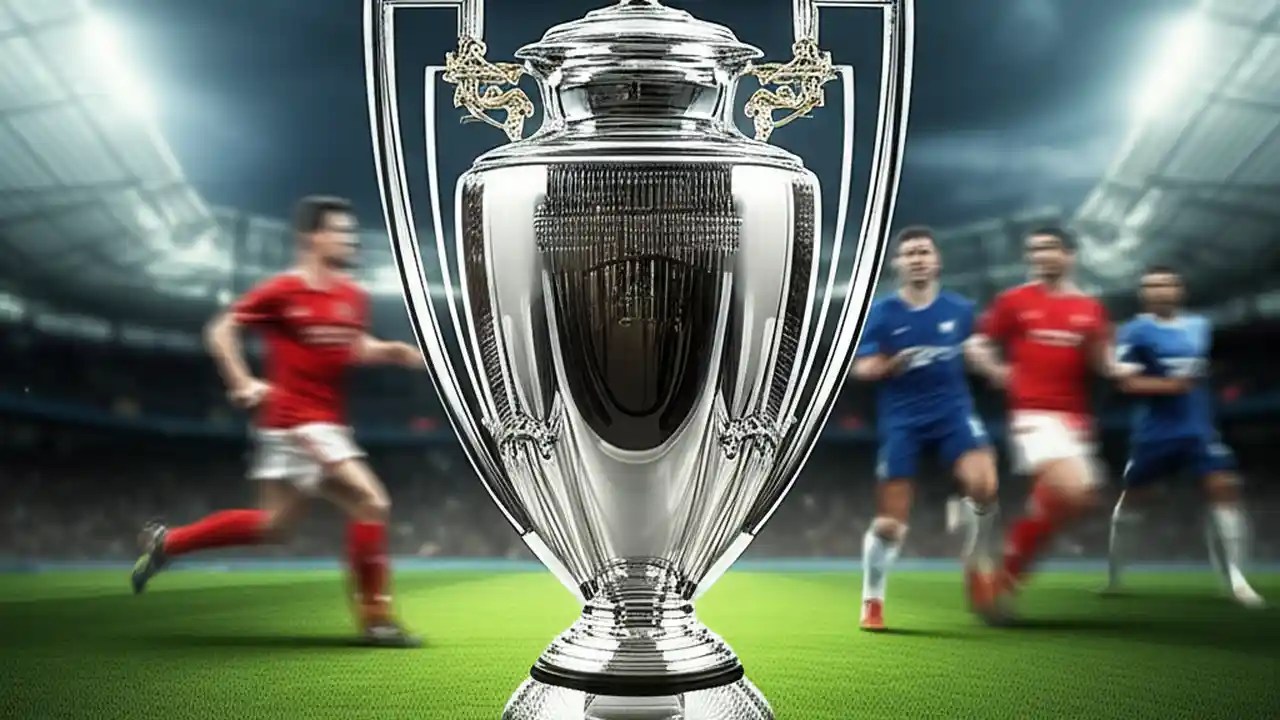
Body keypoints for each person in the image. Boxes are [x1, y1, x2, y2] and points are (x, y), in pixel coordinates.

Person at [131, 196, 427, 646]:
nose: (349, 239)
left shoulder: (353, 296)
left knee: (274, 526)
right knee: (371, 502)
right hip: (297, 422)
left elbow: (347, 346)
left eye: (350, 232)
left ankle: (168, 543)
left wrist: (390, 351)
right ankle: (376, 619)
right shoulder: (284, 291)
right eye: (340, 231)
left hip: (321, 425)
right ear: (312, 237)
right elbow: (221, 329)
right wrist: (240, 380)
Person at [966, 226, 1133, 623]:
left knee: (1076, 501)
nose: (1040, 255)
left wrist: (1117, 368)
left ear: (1069, 255)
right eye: (1034, 249)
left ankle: (999, 578)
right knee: (1070, 489)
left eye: (1049, 248)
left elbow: (1102, 359)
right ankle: (1000, 578)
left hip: (1076, 422)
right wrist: (997, 370)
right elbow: (975, 344)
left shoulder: (1090, 309)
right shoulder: (1014, 301)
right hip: (1033, 415)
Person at [851, 226, 1000, 631]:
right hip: (903, 420)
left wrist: (987, 363)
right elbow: (861, 367)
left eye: (924, 252)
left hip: (953, 413)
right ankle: (872, 599)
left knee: (985, 485)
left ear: (937, 261)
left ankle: (976, 563)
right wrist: (889, 364)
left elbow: (980, 351)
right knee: (890, 524)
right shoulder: (882, 314)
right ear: (898, 264)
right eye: (910, 253)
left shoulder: (960, 310)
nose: (917, 259)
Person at [1104, 265, 1264, 608]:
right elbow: (1127, 383)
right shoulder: (1134, 331)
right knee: (1133, 501)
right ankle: (1115, 577)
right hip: (1155, 434)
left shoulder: (1199, 326)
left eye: (1166, 284)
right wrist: (1171, 385)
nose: (1160, 290)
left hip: (1198, 429)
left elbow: (1202, 372)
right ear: (1143, 294)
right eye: (1152, 286)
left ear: (1179, 290)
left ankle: (1236, 581)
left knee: (1224, 489)